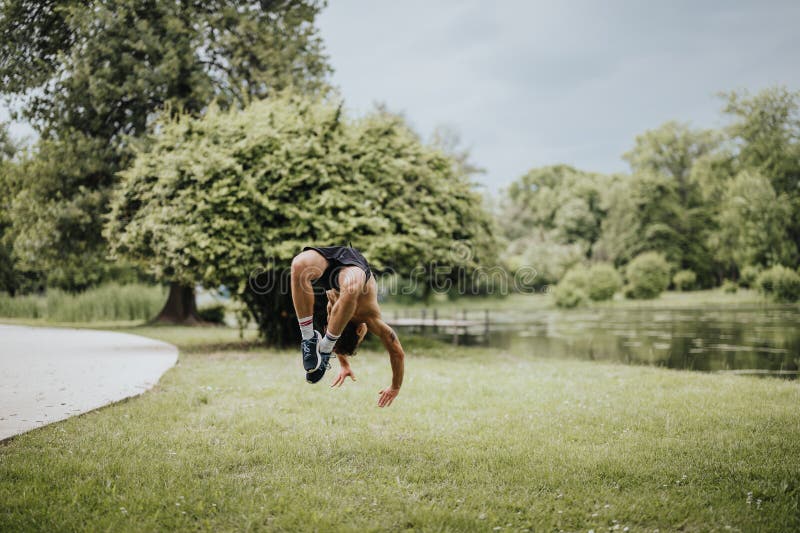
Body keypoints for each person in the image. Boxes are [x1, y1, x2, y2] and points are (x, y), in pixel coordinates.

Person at [290, 245, 404, 408]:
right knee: (297, 266)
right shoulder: (364, 316)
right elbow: (396, 353)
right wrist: (395, 386)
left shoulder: (359, 316)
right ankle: (309, 338)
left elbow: (398, 353)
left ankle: (323, 348)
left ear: (359, 330)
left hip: (336, 276)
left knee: (301, 268)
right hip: (347, 269)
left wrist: (344, 363)